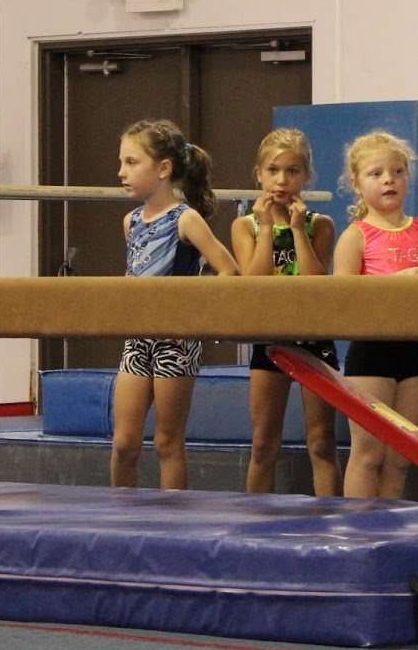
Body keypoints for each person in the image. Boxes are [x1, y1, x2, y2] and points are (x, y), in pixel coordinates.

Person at [110, 118, 240, 490]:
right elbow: (132, 279)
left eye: (132, 163)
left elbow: (228, 271)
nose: (122, 172)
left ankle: (174, 522)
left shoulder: (186, 219)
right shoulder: (131, 221)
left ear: (164, 169)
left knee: (167, 442)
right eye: (122, 162)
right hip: (138, 339)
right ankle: (120, 516)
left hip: (176, 344)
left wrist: (194, 325)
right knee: (124, 443)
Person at [230, 128, 341, 498]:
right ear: (259, 173)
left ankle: (329, 521)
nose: (282, 180)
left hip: (314, 339)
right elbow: (254, 281)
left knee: (322, 442)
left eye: (292, 171)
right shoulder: (244, 226)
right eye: (273, 170)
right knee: (263, 443)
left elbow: (315, 282)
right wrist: (265, 227)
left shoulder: (319, 225)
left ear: (306, 176)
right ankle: (256, 521)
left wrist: (296, 230)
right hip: (270, 341)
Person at [333, 131, 418, 499]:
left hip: (417, 349)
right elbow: (342, 301)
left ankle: (391, 531)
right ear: (356, 184)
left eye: (397, 171)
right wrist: (402, 280)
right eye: (375, 173)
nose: (388, 179)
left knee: (402, 455)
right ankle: (359, 532)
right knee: (368, 453)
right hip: (373, 350)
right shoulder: (356, 235)